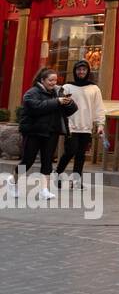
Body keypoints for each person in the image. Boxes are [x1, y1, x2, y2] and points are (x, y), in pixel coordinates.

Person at [19, 68, 76, 200]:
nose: (53, 83)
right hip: (34, 131)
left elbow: (71, 110)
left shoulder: (57, 93)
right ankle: (13, 181)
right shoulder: (31, 93)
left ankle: (44, 190)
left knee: (47, 161)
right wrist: (57, 101)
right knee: (27, 161)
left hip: (51, 132)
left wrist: (68, 102)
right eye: (50, 80)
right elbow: (37, 107)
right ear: (42, 80)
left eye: (55, 80)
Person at [56, 60, 105, 185]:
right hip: (71, 125)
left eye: (84, 69)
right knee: (70, 151)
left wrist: (100, 124)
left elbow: (98, 107)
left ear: (88, 71)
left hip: (86, 126)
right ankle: (58, 173)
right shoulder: (67, 87)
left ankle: (76, 181)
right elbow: (60, 105)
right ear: (75, 71)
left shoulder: (94, 88)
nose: (81, 72)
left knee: (81, 154)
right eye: (79, 69)